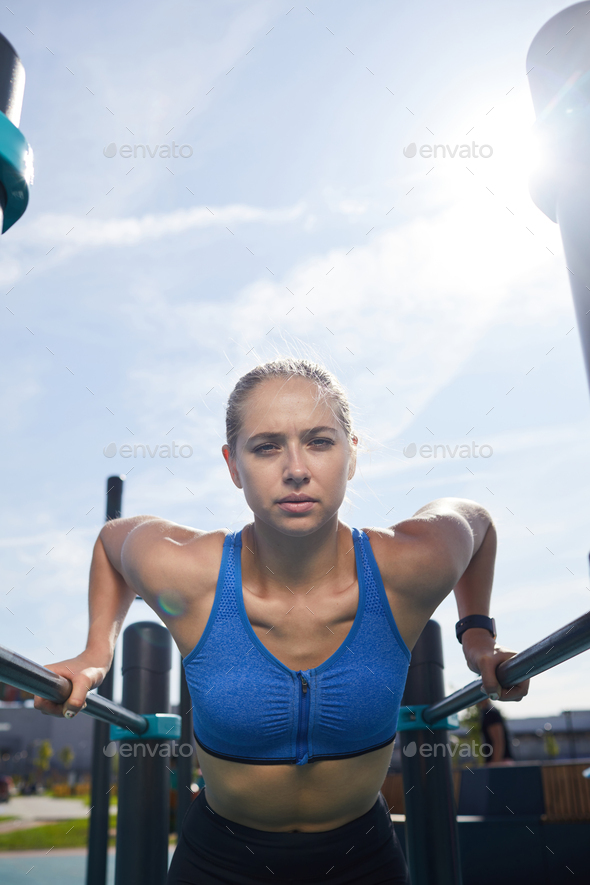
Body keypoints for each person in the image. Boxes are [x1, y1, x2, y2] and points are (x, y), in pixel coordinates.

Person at [33, 358, 529, 884]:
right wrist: (95, 654)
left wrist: (478, 641)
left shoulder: (408, 565)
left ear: (352, 454)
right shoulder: (191, 574)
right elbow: (114, 542)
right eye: (266, 446)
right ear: (233, 466)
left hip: (361, 859)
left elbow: (477, 523)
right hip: (219, 860)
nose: (295, 468)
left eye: (319, 441)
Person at [477, 698, 514, 764]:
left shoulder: (491, 713)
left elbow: (498, 741)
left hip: (500, 762)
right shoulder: (485, 712)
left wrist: (495, 764)